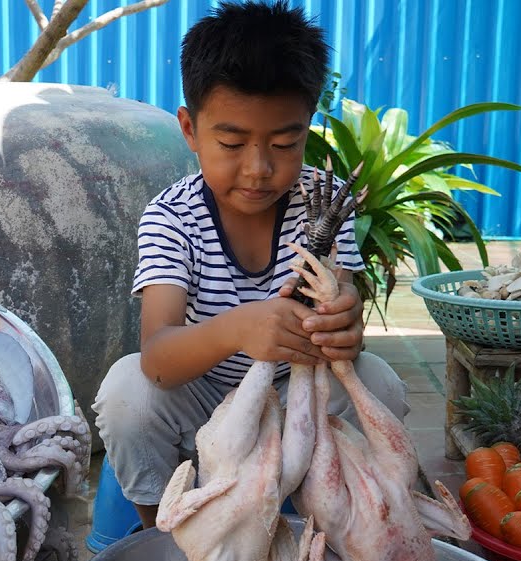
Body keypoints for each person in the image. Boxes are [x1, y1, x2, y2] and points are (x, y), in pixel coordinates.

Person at [92, 0, 408, 530]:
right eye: (232, 143)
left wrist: (345, 322)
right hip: (201, 404)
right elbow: (159, 359)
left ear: (307, 128)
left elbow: (343, 308)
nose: (259, 168)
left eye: (285, 143)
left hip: (295, 398)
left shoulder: (325, 203)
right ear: (190, 129)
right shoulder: (172, 218)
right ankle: (162, 532)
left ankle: (336, 527)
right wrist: (240, 328)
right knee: (127, 391)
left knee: (381, 382)